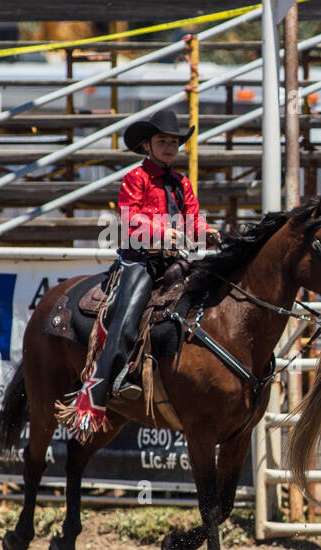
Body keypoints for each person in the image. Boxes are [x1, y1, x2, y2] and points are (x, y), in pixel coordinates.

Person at [56, 109, 221, 440]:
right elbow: (131, 222)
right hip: (140, 261)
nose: (170, 147)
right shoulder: (136, 179)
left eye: (174, 142)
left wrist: (205, 229)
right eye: (163, 141)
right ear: (148, 145)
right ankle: (110, 382)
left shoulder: (182, 183)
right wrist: (166, 233)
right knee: (127, 318)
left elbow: (193, 218)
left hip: (177, 260)